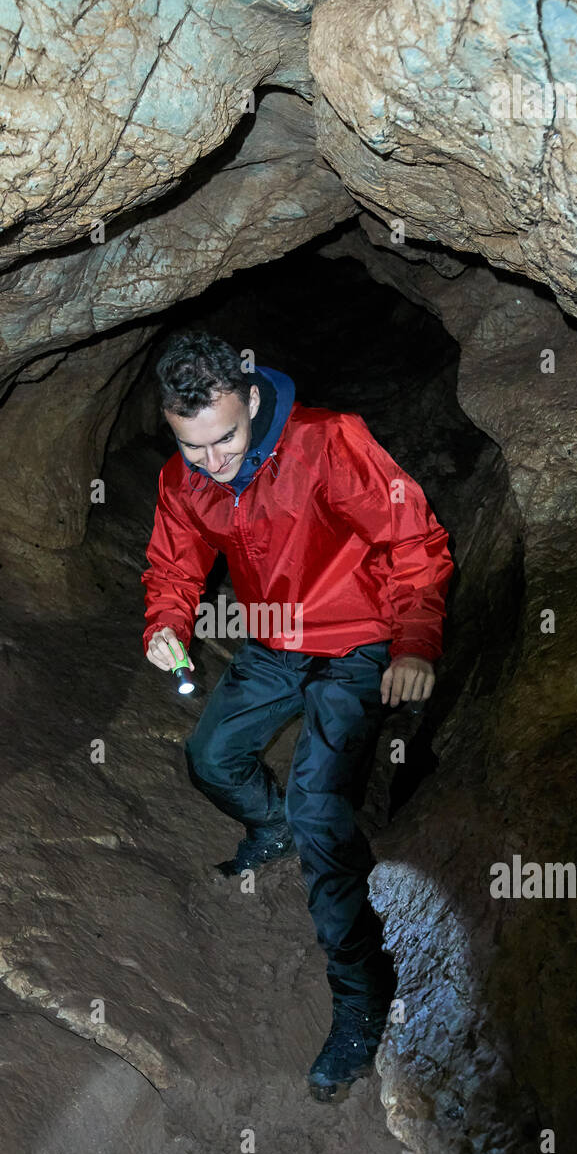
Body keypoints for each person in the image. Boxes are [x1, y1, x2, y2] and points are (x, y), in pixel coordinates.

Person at [142, 331, 454, 1101]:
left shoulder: (329, 443)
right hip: (275, 641)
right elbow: (175, 563)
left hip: (356, 641)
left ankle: (363, 1002)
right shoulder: (185, 475)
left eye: (224, 441)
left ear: (250, 399)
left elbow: (416, 542)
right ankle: (269, 825)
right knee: (210, 758)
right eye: (193, 447)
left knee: (321, 807)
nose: (212, 462)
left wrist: (413, 643)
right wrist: (165, 624)